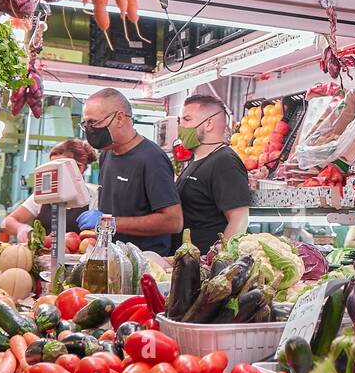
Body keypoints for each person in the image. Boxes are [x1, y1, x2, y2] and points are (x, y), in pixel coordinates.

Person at [80, 88, 181, 254]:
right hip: (111, 259)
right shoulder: (107, 154)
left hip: (144, 265)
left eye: (94, 123)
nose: (90, 130)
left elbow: (173, 221)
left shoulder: (151, 159)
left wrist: (110, 223)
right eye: (86, 124)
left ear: (119, 118)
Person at [172, 93, 251, 255]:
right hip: (186, 264)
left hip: (203, 269)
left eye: (187, 119)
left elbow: (239, 220)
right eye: (181, 121)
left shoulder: (225, 162)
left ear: (208, 124)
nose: (181, 127)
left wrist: (216, 260)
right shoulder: (195, 162)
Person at [2, 139, 98, 240]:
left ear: (79, 168)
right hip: (45, 254)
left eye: (58, 168)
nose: (52, 173)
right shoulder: (44, 194)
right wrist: (20, 228)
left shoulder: (95, 197)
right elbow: (7, 222)